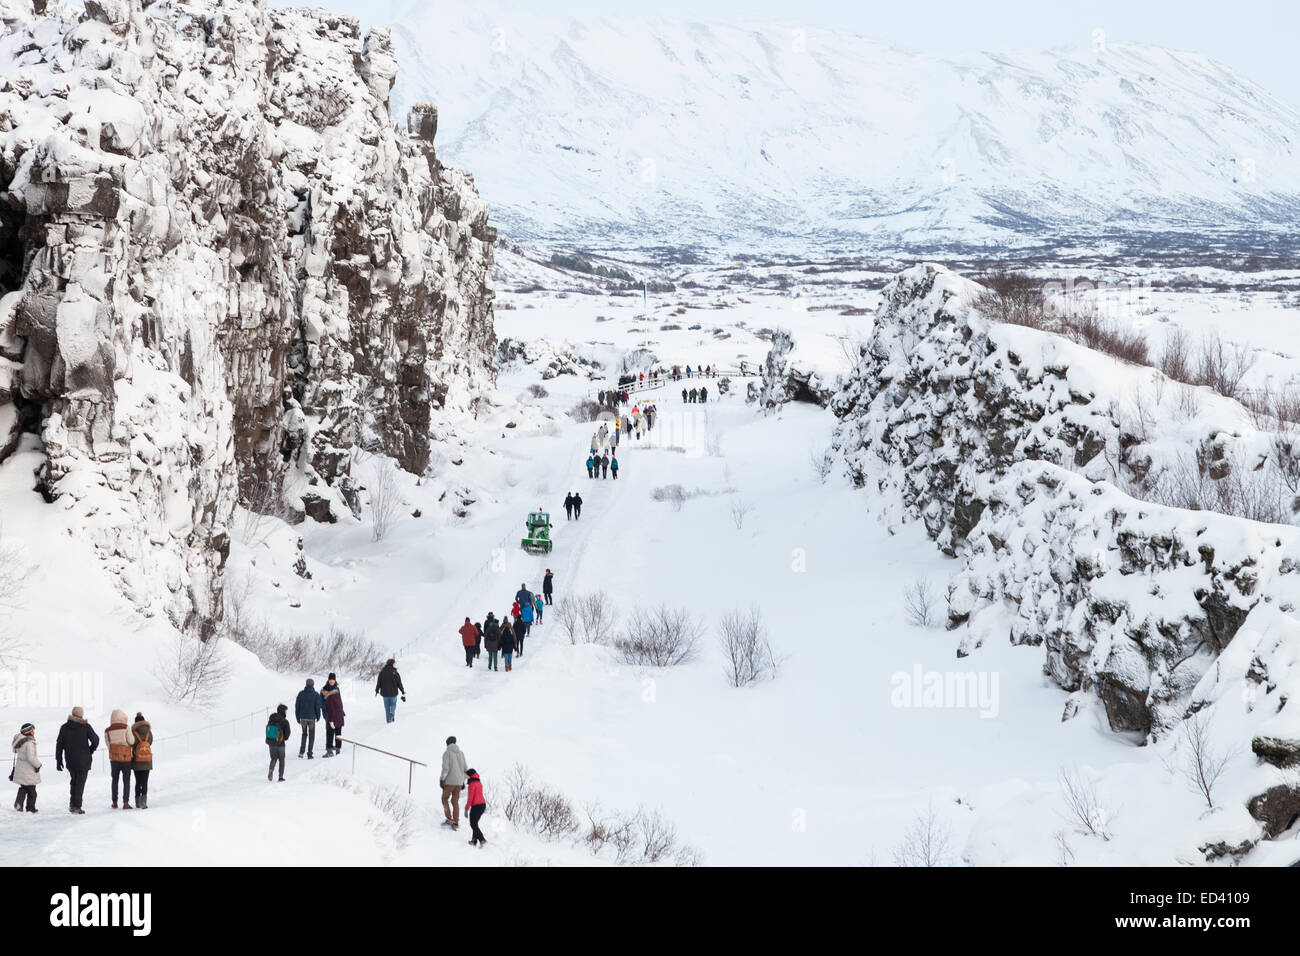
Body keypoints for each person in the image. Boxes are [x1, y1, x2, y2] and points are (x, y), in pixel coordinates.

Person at [55, 706, 99, 815]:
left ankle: (72, 804)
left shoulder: (64, 727)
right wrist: (91, 750)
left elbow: (59, 744)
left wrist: (59, 760)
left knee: (74, 781)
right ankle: (77, 806)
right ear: (81, 715)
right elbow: (96, 740)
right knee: (80, 783)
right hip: (84, 760)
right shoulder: (86, 726)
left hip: (70, 760)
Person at [104, 709, 134, 809]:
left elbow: (108, 744)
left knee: (114, 780)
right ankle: (125, 802)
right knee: (126, 781)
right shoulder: (126, 727)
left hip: (114, 758)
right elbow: (131, 741)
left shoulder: (107, 730)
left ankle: (114, 802)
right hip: (126, 758)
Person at [440, 736, 468, 829]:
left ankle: (449, 819)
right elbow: (465, 769)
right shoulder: (461, 753)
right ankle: (456, 822)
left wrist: (442, 779)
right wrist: (463, 781)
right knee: (455, 801)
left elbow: (445, 769)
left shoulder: (447, 753)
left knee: (444, 799)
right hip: (459, 782)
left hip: (450, 782)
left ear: (447, 743)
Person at [11, 723, 40, 813]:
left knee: (23, 788)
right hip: (29, 770)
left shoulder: (20, 741)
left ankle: (18, 804)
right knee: (32, 791)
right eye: (32, 730)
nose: (34, 732)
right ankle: (30, 808)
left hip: (21, 769)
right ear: (29, 732)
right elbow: (31, 757)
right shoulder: (29, 743)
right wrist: (38, 765)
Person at [130, 713, 152, 808]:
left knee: (138, 781)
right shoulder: (149, 732)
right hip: (147, 760)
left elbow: (131, 743)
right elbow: (150, 742)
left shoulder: (133, 732)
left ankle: (137, 802)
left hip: (137, 760)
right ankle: (144, 802)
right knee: (145, 781)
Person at [295, 678, 321, 757]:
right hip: (312, 718)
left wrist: (297, 717)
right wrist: (318, 716)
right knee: (311, 736)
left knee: (304, 734)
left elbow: (297, 706)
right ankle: (309, 753)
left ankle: (301, 752)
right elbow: (317, 707)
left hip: (303, 718)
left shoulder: (301, 694)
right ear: (313, 684)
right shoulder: (316, 694)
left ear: (306, 684)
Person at [375, 658, 406, 723]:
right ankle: (392, 712)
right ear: (392, 664)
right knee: (393, 705)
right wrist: (402, 691)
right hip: (393, 693)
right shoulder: (395, 673)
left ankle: (388, 721)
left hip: (385, 694)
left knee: (386, 708)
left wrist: (377, 690)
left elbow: (379, 683)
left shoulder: (382, 673)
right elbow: (399, 683)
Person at [266, 705, 291, 782]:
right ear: (283, 711)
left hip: (271, 742)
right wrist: (284, 738)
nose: (286, 713)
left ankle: (270, 771)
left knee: (273, 758)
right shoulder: (285, 721)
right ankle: (280, 777)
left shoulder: (271, 719)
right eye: (286, 711)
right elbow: (287, 733)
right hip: (280, 743)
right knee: (281, 759)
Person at [321, 675, 345, 757]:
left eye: (333, 680)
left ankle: (333, 750)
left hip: (334, 715)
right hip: (333, 714)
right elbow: (322, 703)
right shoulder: (326, 690)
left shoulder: (335, 691)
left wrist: (341, 711)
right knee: (333, 733)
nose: (331, 681)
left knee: (333, 733)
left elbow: (338, 704)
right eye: (330, 679)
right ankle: (333, 750)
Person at [465, 768, 488, 847]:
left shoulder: (472, 784)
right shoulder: (478, 782)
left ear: (470, 775)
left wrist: (466, 808)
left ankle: (482, 839)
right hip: (482, 805)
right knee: (475, 824)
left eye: (467, 775)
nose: (466, 777)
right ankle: (474, 841)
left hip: (476, 806)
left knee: (473, 824)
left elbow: (470, 798)